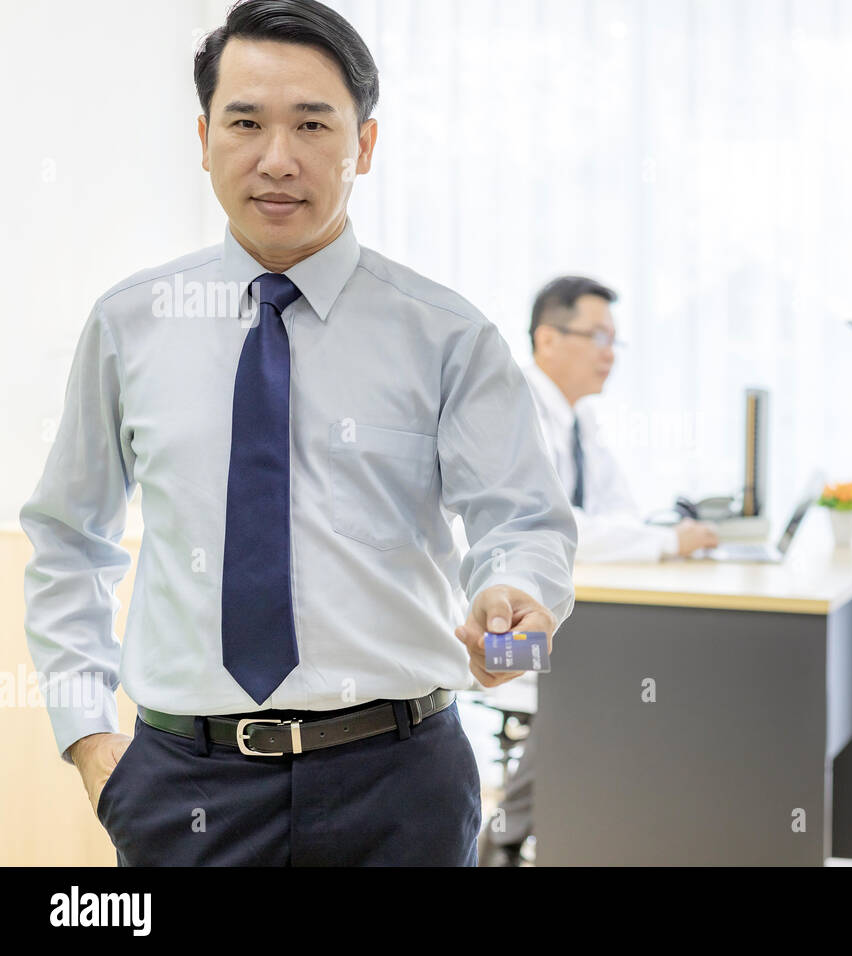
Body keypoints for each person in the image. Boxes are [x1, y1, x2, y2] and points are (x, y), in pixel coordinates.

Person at [20, 0, 576, 866]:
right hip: (183, 790)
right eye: (246, 122)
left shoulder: (447, 334)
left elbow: (528, 529)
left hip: (401, 787)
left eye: (313, 124)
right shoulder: (131, 324)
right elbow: (66, 540)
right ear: (204, 137)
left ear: (364, 145)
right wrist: (91, 744)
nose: (277, 159)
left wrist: (519, 626)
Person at [480, 275, 718, 865]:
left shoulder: (580, 420)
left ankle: (544, 835)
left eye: (615, 340)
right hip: (499, 631)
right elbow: (566, 528)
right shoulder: (516, 411)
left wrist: (660, 537)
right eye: (597, 336)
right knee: (601, 682)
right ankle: (501, 841)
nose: (609, 352)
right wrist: (665, 543)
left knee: (626, 666)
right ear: (548, 339)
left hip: (565, 619)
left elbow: (618, 513)